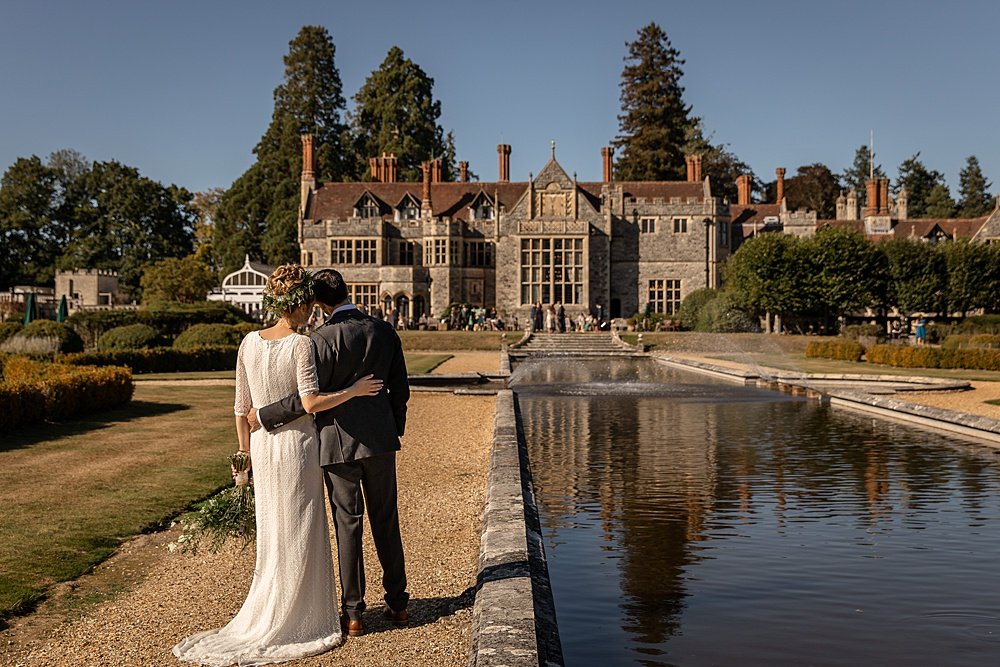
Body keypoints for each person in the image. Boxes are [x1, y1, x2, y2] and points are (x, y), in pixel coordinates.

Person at [174, 264, 382, 665]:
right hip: (297, 448)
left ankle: (272, 605)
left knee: (274, 530)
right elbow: (310, 403)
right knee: (301, 527)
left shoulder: (248, 342)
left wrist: (244, 456)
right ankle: (299, 615)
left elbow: (240, 408)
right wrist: (353, 390)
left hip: (265, 452)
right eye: (308, 305)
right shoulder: (301, 344)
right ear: (302, 303)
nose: (312, 313)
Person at [248, 268, 411, 639]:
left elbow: (305, 400)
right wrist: (393, 428)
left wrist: (264, 415)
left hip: (337, 443)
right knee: (386, 520)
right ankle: (398, 603)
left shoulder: (318, 340)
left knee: (348, 524)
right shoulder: (384, 331)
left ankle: (354, 612)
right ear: (348, 291)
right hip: (380, 443)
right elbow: (401, 390)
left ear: (318, 302)